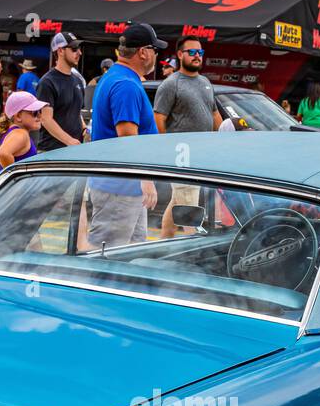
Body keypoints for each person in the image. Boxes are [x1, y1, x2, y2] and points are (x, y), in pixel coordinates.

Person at [89, 22, 166, 248]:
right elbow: (127, 140)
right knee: (107, 254)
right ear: (143, 52)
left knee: (130, 252)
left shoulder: (117, 76)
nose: (156, 55)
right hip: (119, 188)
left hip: (123, 187)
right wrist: (146, 179)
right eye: (155, 50)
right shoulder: (126, 85)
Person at [153, 36, 221, 238]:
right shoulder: (171, 84)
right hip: (182, 155)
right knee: (188, 204)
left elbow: (214, 114)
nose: (197, 56)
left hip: (201, 154)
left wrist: (227, 139)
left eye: (200, 52)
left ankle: (164, 241)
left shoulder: (205, 82)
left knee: (179, 199)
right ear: (180, 55)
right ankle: (195, 245)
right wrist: (168, 148)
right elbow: (158, 118)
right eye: (192, 52)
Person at [34, 32, 86, 151]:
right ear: (60, 51)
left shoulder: (78, 80)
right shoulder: (47, 82)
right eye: (74, 49)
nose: (79, 52)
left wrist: (84, 130)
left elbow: (77, 112)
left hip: (73, 150)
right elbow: (46, 119)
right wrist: (69, 141)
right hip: (51, 151)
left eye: (79, 48)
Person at [0, 91, 46, 168]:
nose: (40, 116)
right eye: (35, 113)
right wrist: (14, 173)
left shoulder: (13, 131)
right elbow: (3, 153)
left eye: (40, 111)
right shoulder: (20, 134)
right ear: (18, 116)